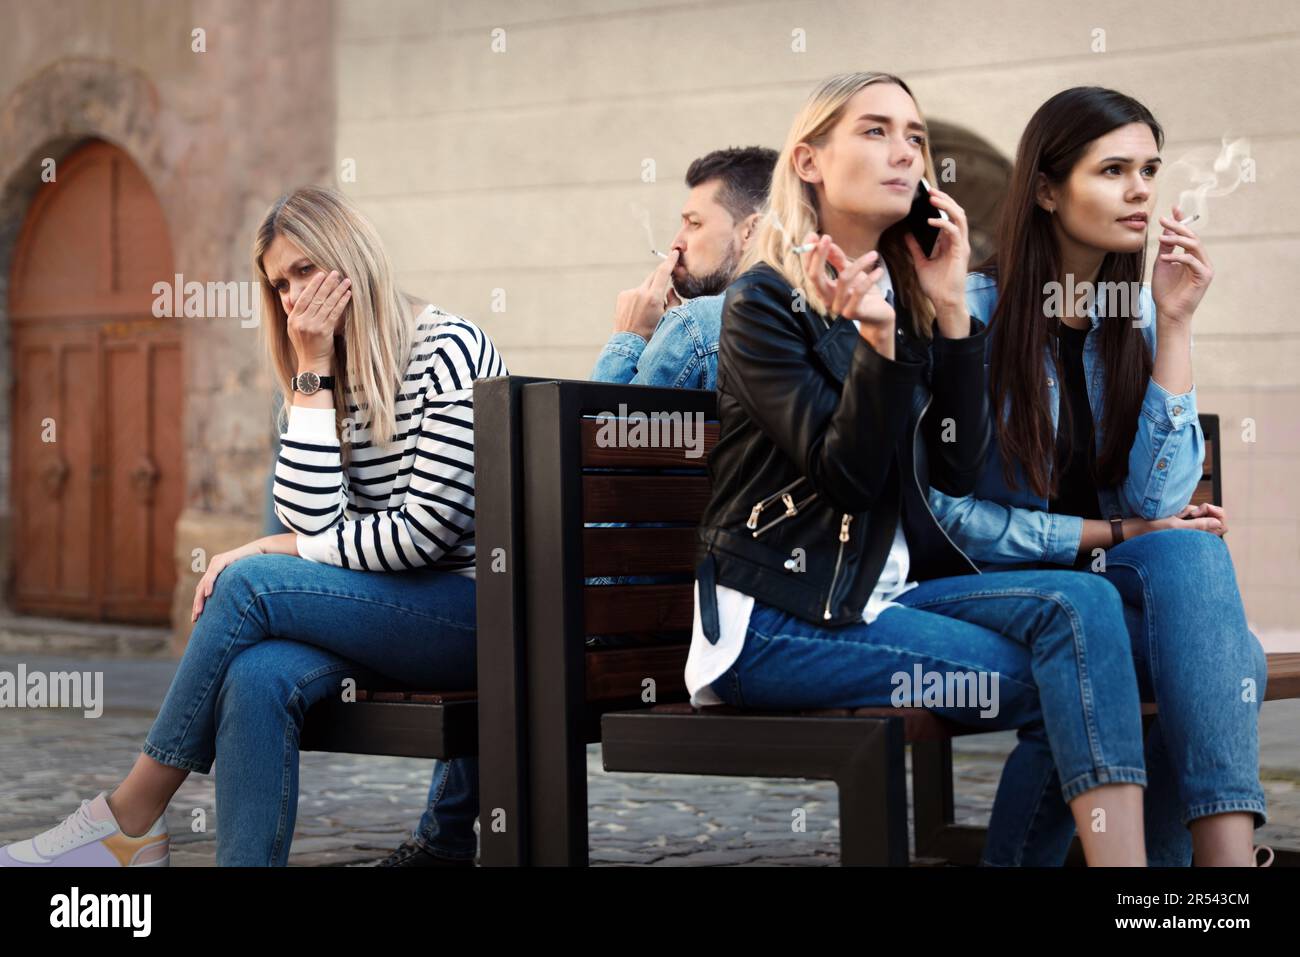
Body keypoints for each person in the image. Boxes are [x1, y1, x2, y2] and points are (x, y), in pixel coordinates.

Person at [690, 71, 1155, 865]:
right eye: (875, 131)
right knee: (1074, 672)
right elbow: (850, 478)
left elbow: (956, 464)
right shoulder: (765, 303)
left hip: (879, 597)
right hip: (776, 619)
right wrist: (876, 348)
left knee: (1082, 612)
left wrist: (948, 316)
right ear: (808, 160)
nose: (905, 152)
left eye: (915, 137)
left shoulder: (907, 295)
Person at [0, 185, 504, 867]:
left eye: (304, 271)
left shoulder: (448, 348)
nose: (293, 297)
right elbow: (312, 516)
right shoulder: (309, 376)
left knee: (249, 581)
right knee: (257, 676)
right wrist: (312, 374)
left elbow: (423, 536)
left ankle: (129, 817)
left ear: (346, 259)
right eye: (279, 284)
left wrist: (280, 546)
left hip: (467, 613)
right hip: (371, 611)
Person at [927, 87, 1271, 867]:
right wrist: (1115, 532)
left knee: (1190, 560)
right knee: (1214, 657)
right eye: (1112, 169)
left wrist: (1176, 325)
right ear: (1047, 189)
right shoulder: (970, 311)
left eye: (1149, 168)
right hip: (987, 583)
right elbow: (950, 516)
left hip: (1099, 582)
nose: (1141, 189)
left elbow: (1159, 500)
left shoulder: (1140, 317)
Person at [590, 146, 777, 389]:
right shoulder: (814, 311)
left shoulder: (696, 326)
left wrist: (629, 336)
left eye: (695, 223)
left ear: (751, 231)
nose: (676, 244)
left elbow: (602, 425)